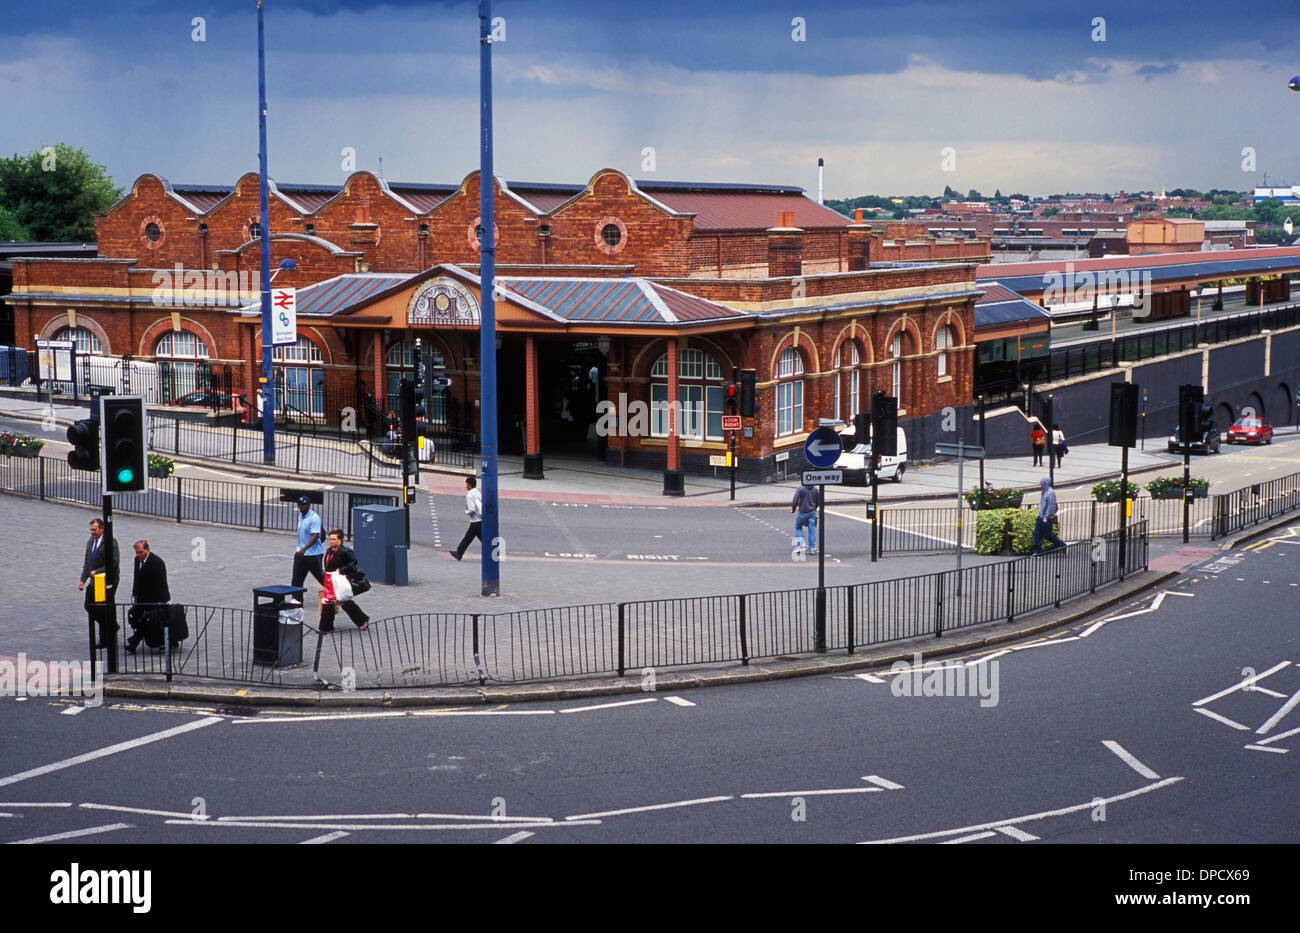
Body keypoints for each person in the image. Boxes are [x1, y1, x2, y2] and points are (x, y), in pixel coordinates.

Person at [78, 518, 120, 648]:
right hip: (94, 580)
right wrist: (83, 579)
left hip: (104, 581)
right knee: (89, 605)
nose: (92, 532)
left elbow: (113, 563)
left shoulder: (110, 542)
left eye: (95, 530)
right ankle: (112, 626)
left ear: (102, 529)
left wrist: (97, 571)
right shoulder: (90, 542)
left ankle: (105, 639)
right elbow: (87, 561)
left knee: (101, 608)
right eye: (91, 529)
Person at [319, 530, 369, 633]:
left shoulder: (345, 551)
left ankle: (362, 620)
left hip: (341, 580)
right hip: (331, 580)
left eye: (334, 539)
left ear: (340, 540)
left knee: (343, 600)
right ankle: (325, 627)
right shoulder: (329, 551)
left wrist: (342, 570)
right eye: (331, 539)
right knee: (328, 601)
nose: (331, 541)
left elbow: (354, 561)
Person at [126, 539, 170, 654]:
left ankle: (133, 642)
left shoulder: (157, 562)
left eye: (140, 552)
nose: (138, 555)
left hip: (155, 598)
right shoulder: (137, 560)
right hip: (142, 597)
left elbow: (162, 583)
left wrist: (161, 600)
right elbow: (136, 577)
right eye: (136, 552)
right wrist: (135, 592)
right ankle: (135, 641)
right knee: (136, 617)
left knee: (147, 620)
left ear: (147, 550)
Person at [291, 495, 326, 592]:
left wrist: (304, 549)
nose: (300, 506)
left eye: (303, 505)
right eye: (299, 504)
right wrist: (300, 550)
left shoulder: (314, 517)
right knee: (296, 580)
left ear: (308, 505)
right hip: (300, 554)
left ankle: (335, 594)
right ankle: (296, 601)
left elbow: (315, 536)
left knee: (320, 577)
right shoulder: (301, 517)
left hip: (313, 555)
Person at [1031, 476, 1068, 556]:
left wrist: (1046, 517)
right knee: (1037, 534)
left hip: (1046, 518)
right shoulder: (1044, 491)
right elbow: (1043, 504)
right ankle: (1037, 552)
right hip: (1041, 516)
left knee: (1048, 535)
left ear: (1044, 483)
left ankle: (1063, 545)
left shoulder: (1050, 493)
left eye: (1041, 483)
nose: (1039, 484)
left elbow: (1051, 506)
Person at [449, 476, 482, 561]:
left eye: (466, 484)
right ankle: (494, 551)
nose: (465, 486)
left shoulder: (469, 495)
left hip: (475, 521)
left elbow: (472, 509)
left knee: (467, 538)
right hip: (480, 520)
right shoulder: (478, 492)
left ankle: (459, 553)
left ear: (470, 485)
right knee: (480, 538)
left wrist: (466, 512)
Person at [791, 482, 819, 554]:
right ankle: (812, 548)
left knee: (798, 527)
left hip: (802, 512)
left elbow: (795, 500)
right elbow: (818, 501)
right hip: (812, 512)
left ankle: (801, 546)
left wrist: (793, 508)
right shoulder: (815, 489)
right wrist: (814, 508)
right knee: (812, 529)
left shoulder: (800, 488)